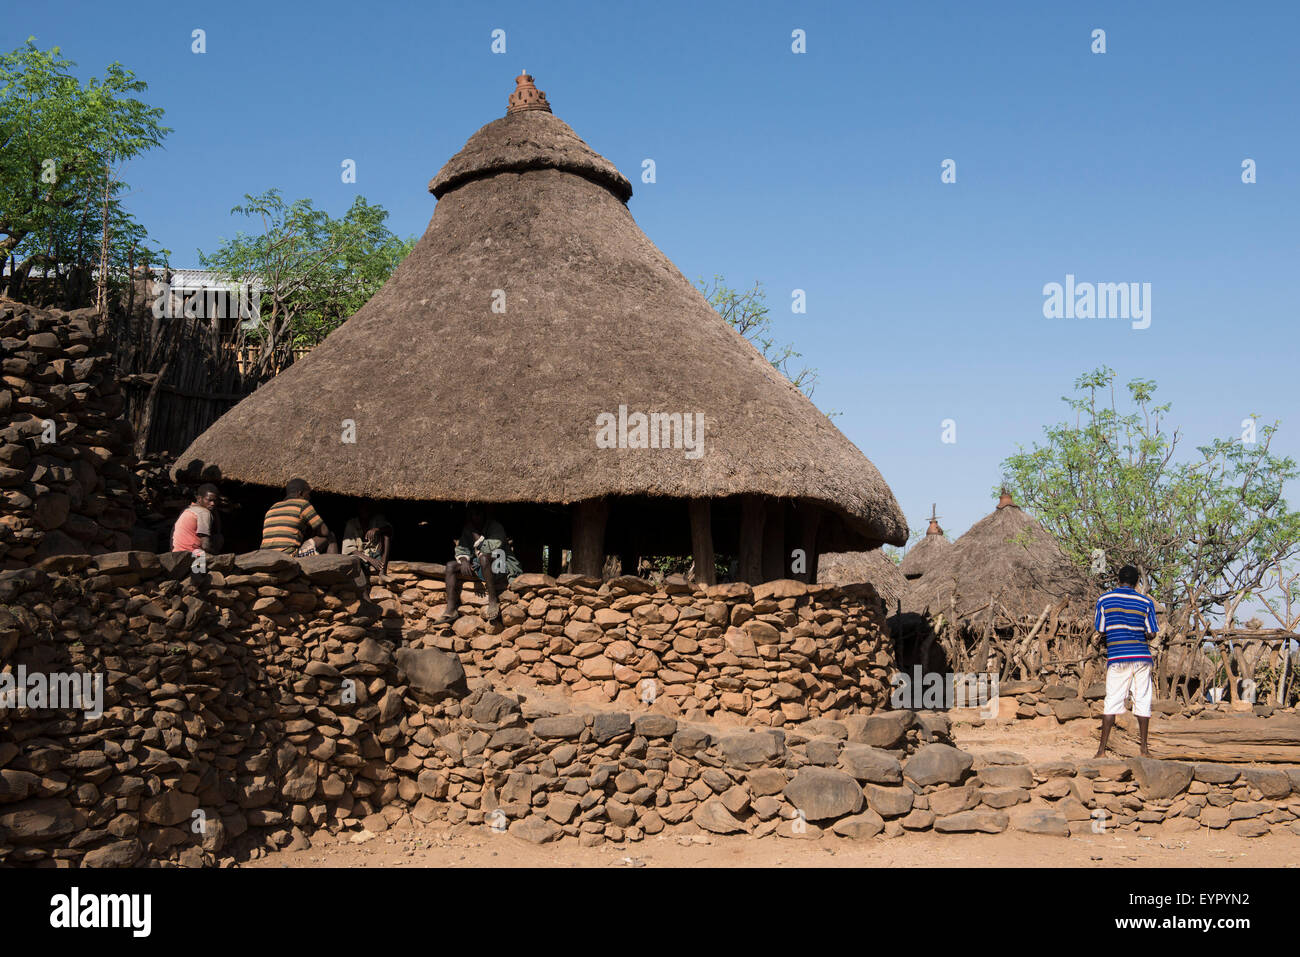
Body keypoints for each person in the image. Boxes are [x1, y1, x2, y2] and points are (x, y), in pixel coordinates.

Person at [1093, 564, 1160, 757]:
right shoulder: (1146, 602)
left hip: (1118, 657)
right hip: (1141, 657)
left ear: (1117, 580)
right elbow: (1152, 632)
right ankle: (1144, 749)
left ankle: (1101, 751)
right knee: (1142, 699)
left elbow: (1101, 628)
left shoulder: (1104, 600)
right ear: (1137, 582)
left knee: (1112, 700)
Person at [436, 505, 521, 623]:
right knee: (450, 566)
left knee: (484, 558)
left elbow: (489, 549)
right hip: (481, 566)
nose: (475, 517)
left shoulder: (496, 527)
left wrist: (475, 534)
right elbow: (461, 549)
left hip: (500, 566)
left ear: (484, 515)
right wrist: (465, 561)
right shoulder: (468, 529)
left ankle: (492, 600)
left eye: (478, 514)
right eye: (472, 515)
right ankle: (450, 610)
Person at [261, 478, 337, 556]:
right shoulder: (302, 504)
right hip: (288, 556)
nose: (309, 497)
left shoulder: (273, 507)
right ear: (300, 493)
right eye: (308, 494)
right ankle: (335, 566)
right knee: (330, 536)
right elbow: (325, 531)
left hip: (265, 555)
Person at [342, 502, 392, 575]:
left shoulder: (376, 520)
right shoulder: (351, 524)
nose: (365, 511)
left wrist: (377, 529)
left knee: (386, 536)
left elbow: (389, 529)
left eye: (367, 508)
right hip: (359, 555)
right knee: (355, 563)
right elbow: (350, 549)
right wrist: (371, 560)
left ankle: (383, 572)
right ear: (358, 510)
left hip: (375, 553)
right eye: (362, 508)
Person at [172, 484, 222, 553]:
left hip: (176, 552)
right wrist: (214, 554)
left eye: (215, 501)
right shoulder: (204, 512)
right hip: (192, 554)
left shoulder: (189, 509)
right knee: (219, 538)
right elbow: (205, 545)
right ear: (199, 499)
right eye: (209, 500)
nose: (213, 503)